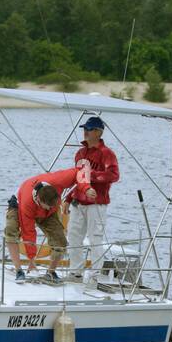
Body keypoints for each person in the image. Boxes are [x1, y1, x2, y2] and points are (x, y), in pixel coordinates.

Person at [4, 167, 90, 282]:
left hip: (47, 213)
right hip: (19, 203)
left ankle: (51, 272)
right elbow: (28, 231)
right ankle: (19, 270)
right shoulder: (27, 205)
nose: (52, 207)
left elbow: (79, 172)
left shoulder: (58, 181)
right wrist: (31, 259)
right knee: (11, 230)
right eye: (49, 206)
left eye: (54, 205)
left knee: (60, 241)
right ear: (39, 200)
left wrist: (86, 188)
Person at [67, 116, 119, 281]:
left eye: (89, 129)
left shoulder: (107, 153)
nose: (85, 132)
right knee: (74, 237)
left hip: (97, 203)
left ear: (98, 132)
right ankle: (75, 272)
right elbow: (76, 177)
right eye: (84, 129)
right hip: (77, 202)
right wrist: (67, 198)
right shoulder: (80, 153)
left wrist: (91, 175)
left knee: (95, 238)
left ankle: (96, 275)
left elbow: (114, 175)